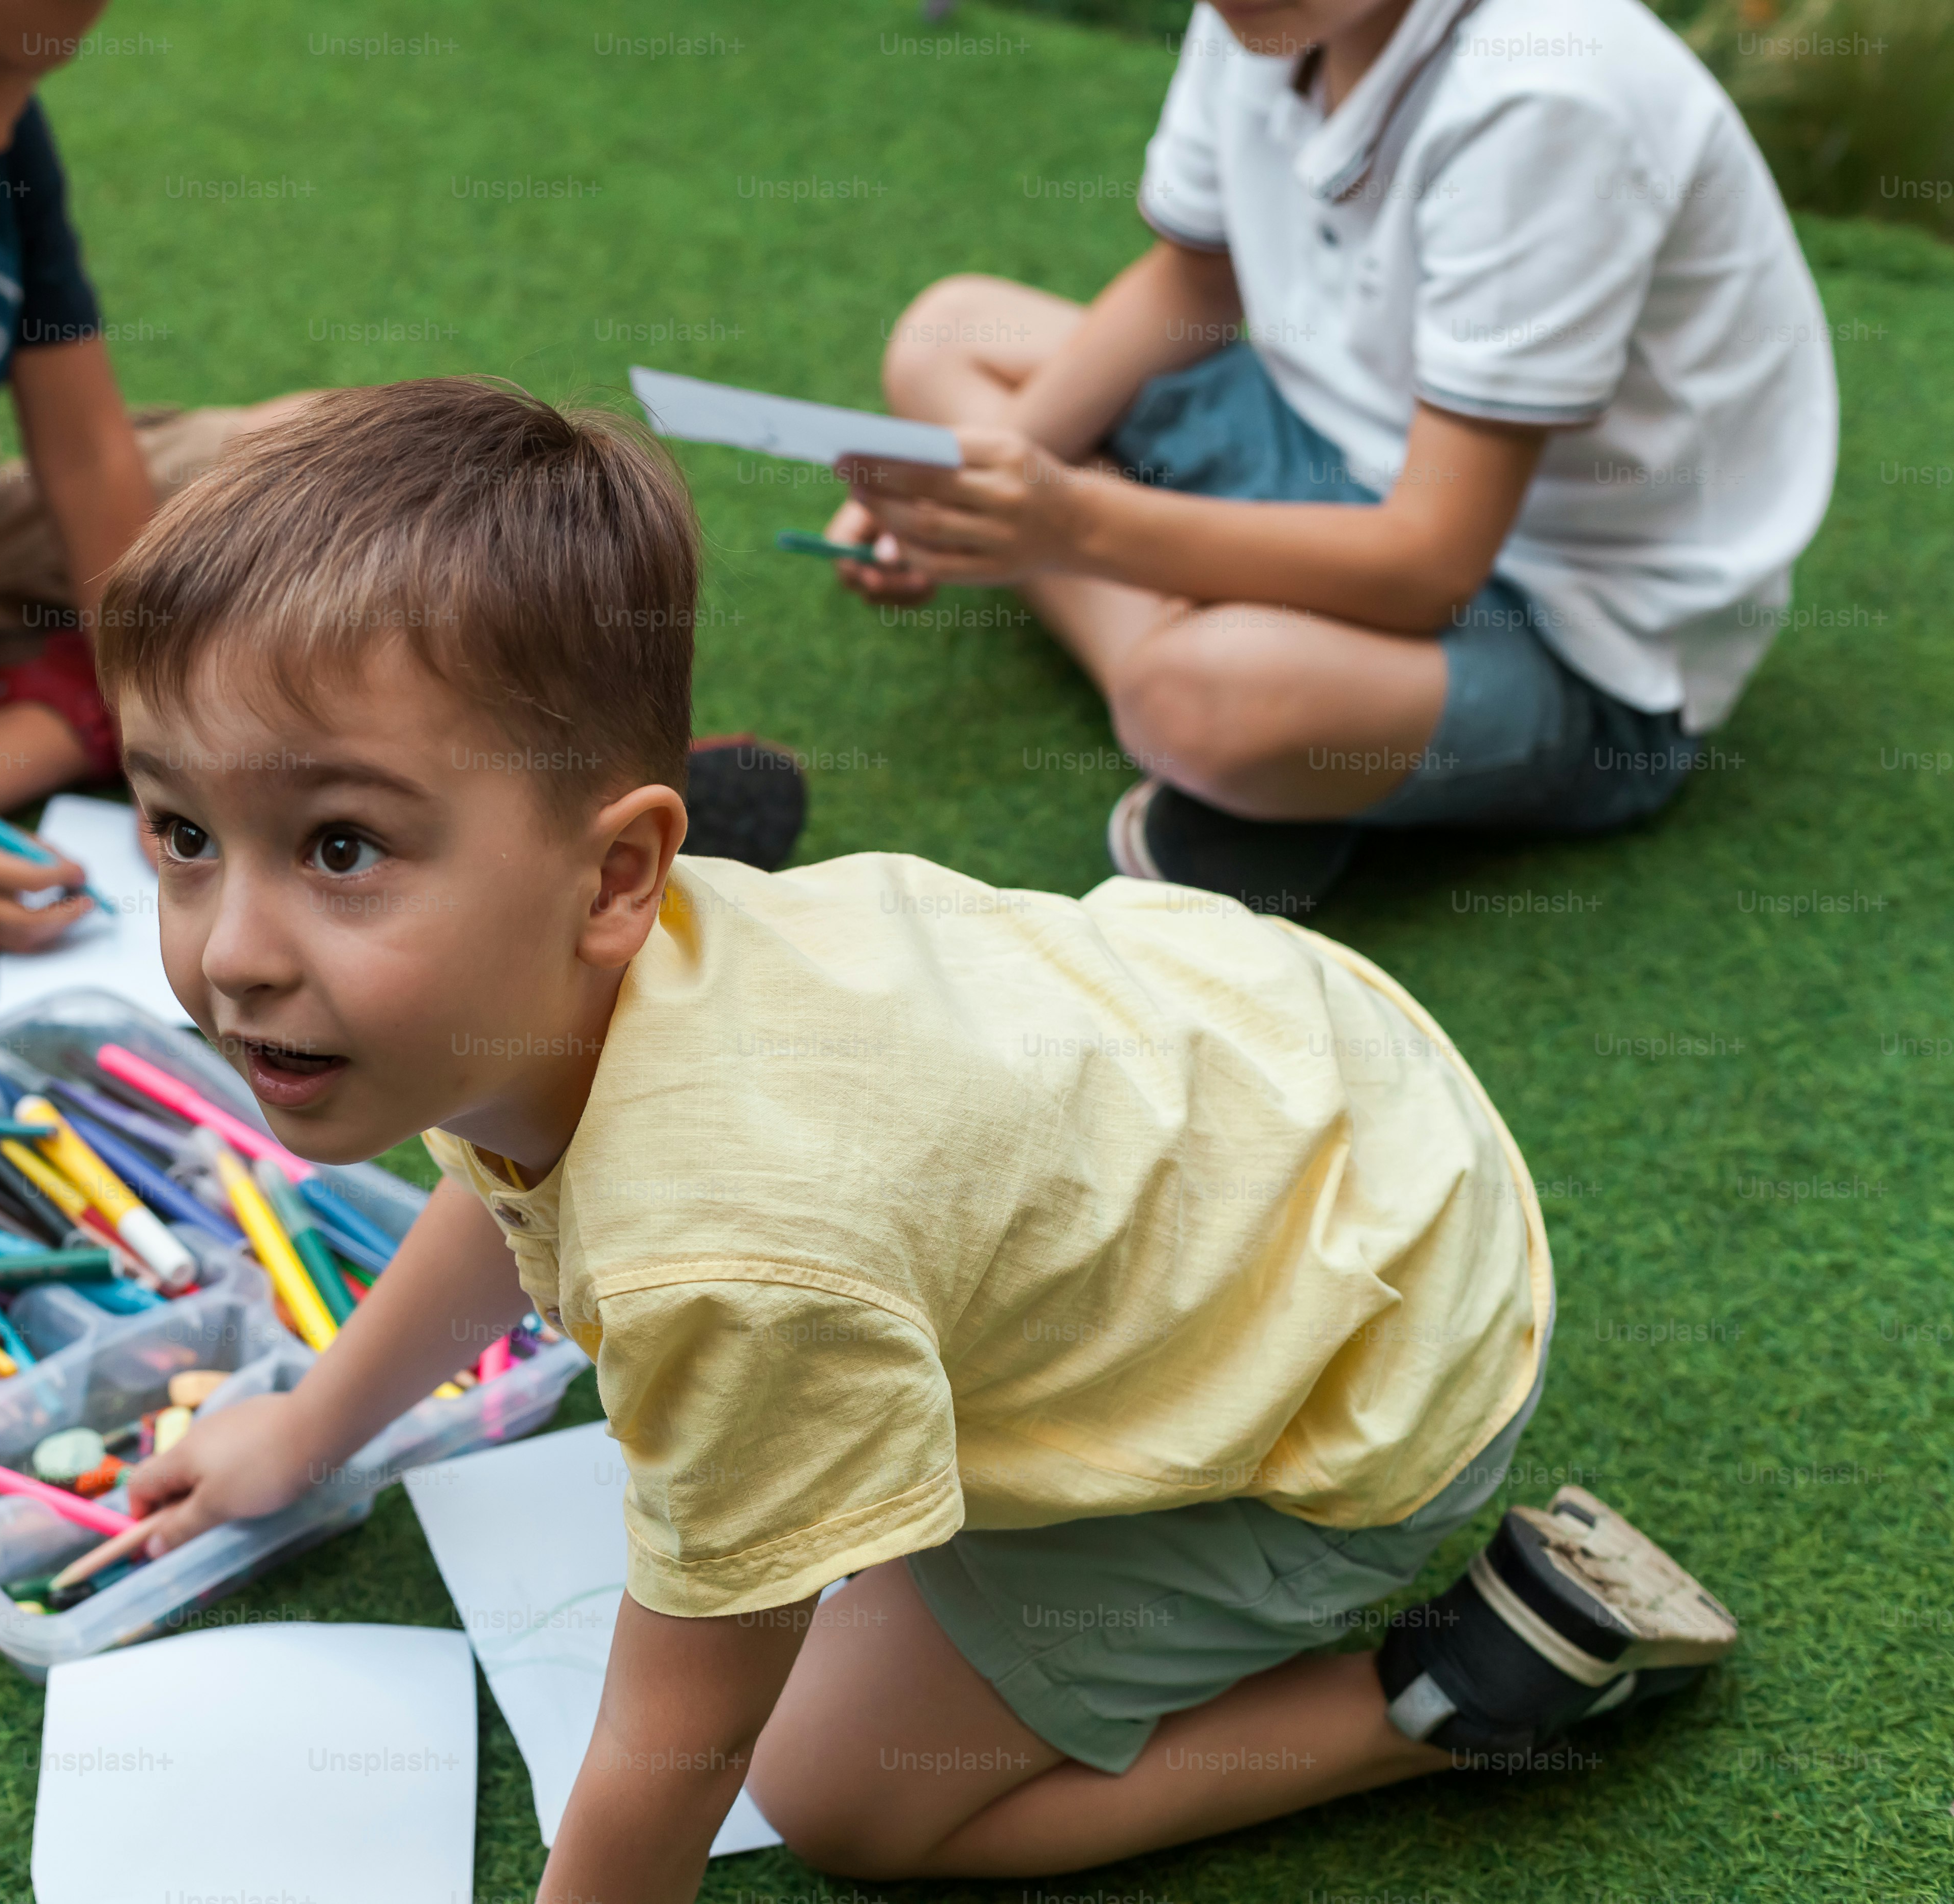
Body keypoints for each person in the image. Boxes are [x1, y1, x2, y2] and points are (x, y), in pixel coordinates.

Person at [97, 377, 1737, 1894]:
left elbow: (678, 1745)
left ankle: (1450, 1692)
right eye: (180, 830)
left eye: (337, 844)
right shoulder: (564, 991)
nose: (229, 947)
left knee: (856, 1798)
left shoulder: (731, 1261)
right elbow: (500, 1189)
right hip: (1303, 1091)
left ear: (612, 876)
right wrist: (309, 1434)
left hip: (1369, 1370)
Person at [0, 0, 806, 966]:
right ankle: (37, 730)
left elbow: (79, 446)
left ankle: (172, 707)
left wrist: (168, 719)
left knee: (348, 457)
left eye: (32, 77)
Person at [827, 0, 1836, 910]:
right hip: (1333, 436)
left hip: (1575, 627)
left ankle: (1247, 725)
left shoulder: (1548, 92)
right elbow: (1192, 287)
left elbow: (1430, 565)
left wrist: (1070, 525)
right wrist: (971, 484)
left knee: (1198, 700)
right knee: (947, 340)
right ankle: (1271, 732)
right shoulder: (1266, 16)